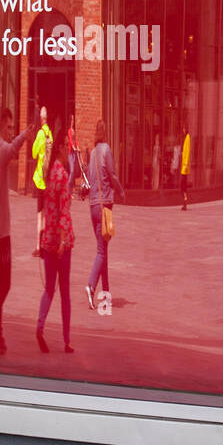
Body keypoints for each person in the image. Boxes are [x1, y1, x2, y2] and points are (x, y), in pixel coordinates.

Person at [0, 109, 33, 356]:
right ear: (1, 127)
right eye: (9, 127)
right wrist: (26, 134)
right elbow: (13, 150)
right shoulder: (0, 149)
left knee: (2, 284)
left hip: (2, 229)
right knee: (6, 285)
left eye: (13, 128)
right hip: (3, 232)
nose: (11, 131)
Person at [37, 130, 75, 353]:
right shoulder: (62, 175)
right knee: (65, 292)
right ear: (61, 147)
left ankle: (40, 327)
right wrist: (62, 241)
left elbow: (45, 209)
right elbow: (63, 212)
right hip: (61, 242)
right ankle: (67, 340)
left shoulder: (50, 173)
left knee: (49, 289)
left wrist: (44, 239)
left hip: (48, 239)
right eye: (67, 145)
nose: (69, 148)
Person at [85, 120, 125, 313]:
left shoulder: (92, 153)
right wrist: (121, 191)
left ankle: (106, 298)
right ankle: (91, 286)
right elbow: (113, 175)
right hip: (104, 206)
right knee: (101, 252)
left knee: (104, 251)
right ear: (105, 133)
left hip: (92, 207)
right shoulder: (105, 150)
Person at [31, 105, 52, 255]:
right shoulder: (50, 134)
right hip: (48, 180)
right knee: (47, 213)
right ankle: (47, 243)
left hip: (40, 180)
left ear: (40, 118)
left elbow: (33, 153)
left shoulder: (39, 134)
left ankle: (38, 246)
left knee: (40, 214)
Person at [180, 122, 192, 211]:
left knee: (183, 185)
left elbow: (187, 152)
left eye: (184, 128)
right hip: (184, 165)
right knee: (183, 185)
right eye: (183, 128)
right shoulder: (186, 138)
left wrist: (186, 164)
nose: (183, 130)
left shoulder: (187, 138)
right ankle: (184, 202)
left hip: (185, 166)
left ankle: (185, 201)